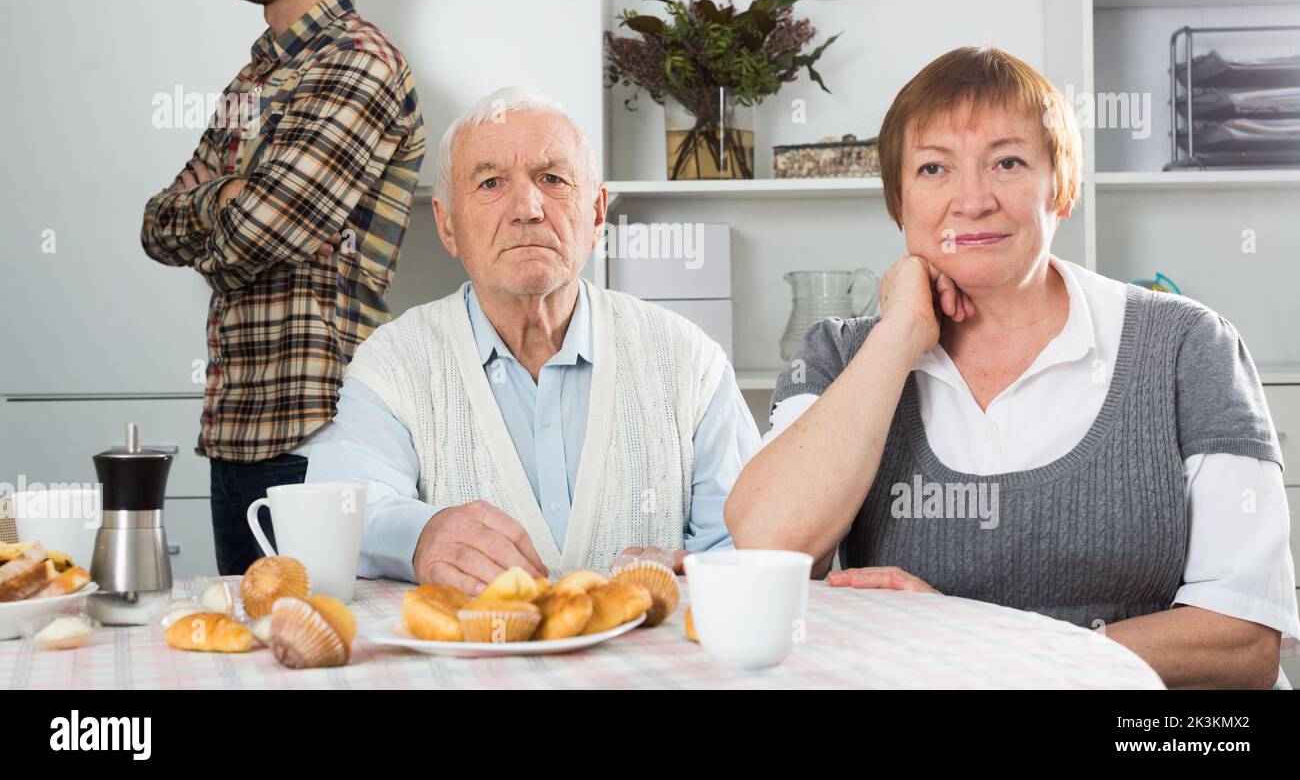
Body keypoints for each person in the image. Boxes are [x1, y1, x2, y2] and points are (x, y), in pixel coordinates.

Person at [724, 45, 1300, 689]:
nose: (971, 201)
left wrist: (979, 650)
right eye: (934, 168)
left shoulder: (1188, 346)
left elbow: (1241, 643)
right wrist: (899, 335)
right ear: (898, 201)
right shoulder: (842, 355)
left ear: (1063, 187)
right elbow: (769, 546)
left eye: (1007, 162)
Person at [305, 86, 760, 591]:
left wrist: (688, 567)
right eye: (491, 182)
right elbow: (342, 505)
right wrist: (422, 537)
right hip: (467, 667)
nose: (527, 207)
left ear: (596, 212)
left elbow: (750, 538)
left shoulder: (690, 360)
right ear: (447, 224)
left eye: (552, 179)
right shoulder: (392, 363)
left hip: (651, 664)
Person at [140, 0, 425, 576]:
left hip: (321, 438)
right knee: (251, 659)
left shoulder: (360, 61)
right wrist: (230, 200)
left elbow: (260, 229)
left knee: (322, 654)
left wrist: (225, 203)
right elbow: (155, 224)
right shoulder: (254, 78)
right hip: (236, 431)